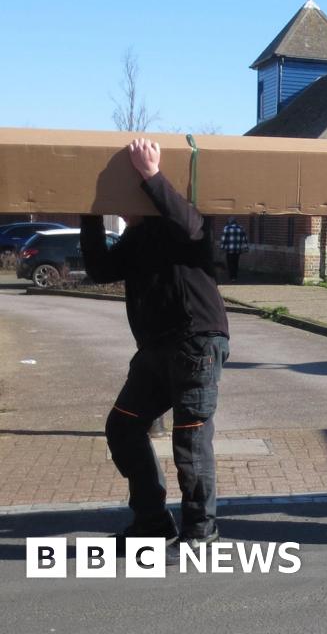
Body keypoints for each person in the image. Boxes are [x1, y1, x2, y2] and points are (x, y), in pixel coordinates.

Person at [81, 138, 229, 559]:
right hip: (155, 350)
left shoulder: (180, 223)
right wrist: (89, 214)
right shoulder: (137, 237)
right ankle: (152, 521)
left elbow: (193, 228)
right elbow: (100, 269)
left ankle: (200, 528)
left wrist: (150, 175)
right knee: (123, 427)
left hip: (195, 342)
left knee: (191, 435)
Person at [220, 217, 249, 282]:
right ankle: (235, 276)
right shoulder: (241, 228)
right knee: (236, 262)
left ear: (230, 222)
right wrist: (246, 248)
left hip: (229, 249)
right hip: (237, 249)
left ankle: (231, 277)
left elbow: (223, 239)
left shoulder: (226, 228)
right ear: (235, 222)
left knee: (230, 263)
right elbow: (245, 239)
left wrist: (222, 247)